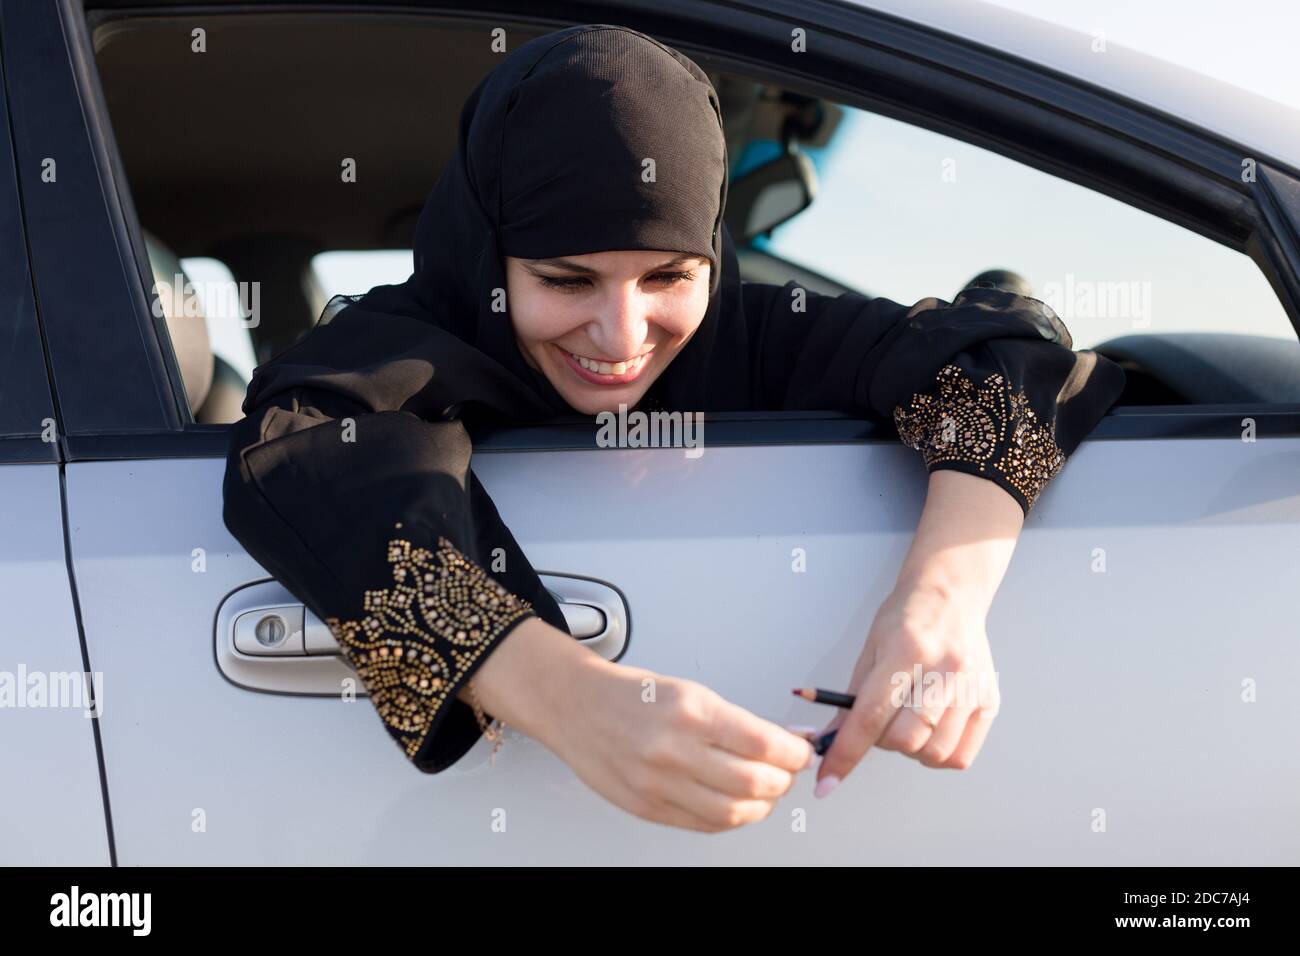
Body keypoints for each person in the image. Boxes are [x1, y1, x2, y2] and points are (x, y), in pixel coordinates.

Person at [222, 23, 1126, 833]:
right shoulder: (400, 347)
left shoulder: (756, 334)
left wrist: (941, 603)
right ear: (485, 252)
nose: (622, 338)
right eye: (566, 280)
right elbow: (301, 459)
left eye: (668, 276)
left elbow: (1004, 355)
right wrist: (572, 702)